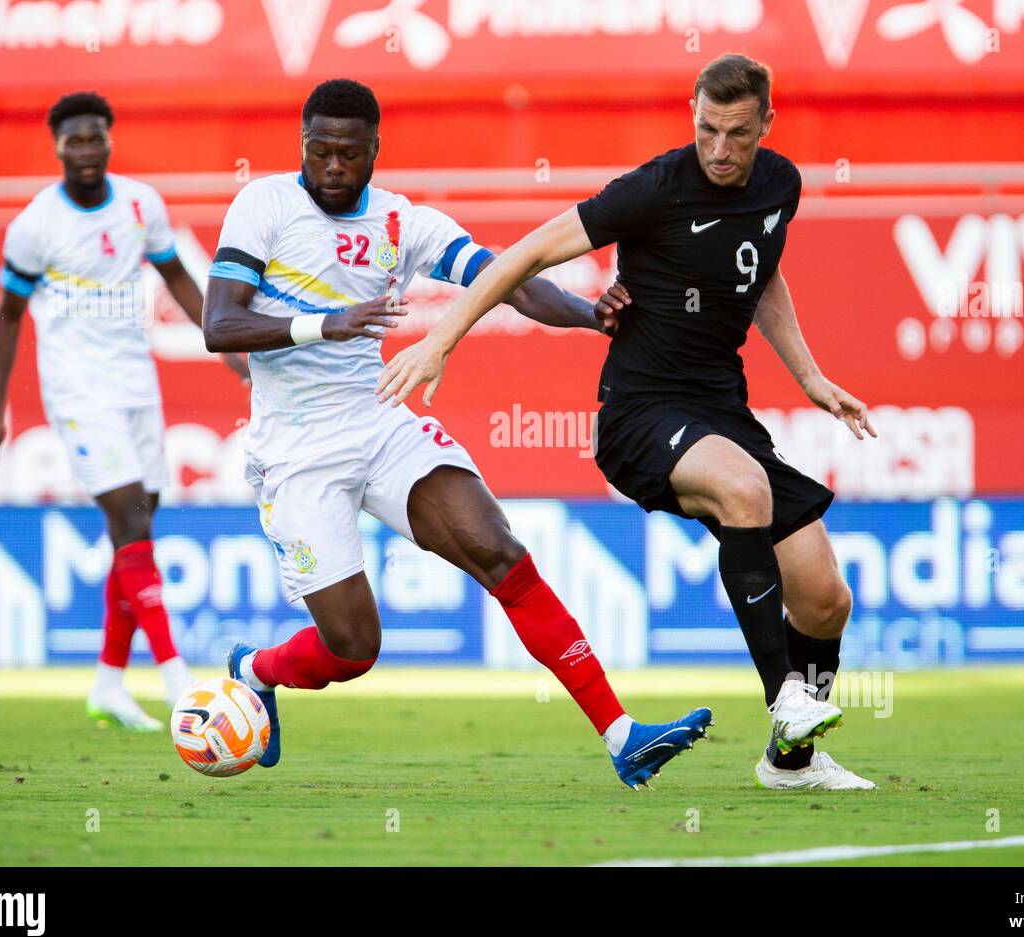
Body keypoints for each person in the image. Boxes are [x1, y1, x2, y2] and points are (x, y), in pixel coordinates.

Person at [378, 55, 877, 791]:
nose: (720, 149)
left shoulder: (781, 186)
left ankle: (791, 763)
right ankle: (786, 700)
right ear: (693, 115)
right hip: (641, 414)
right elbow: (527, 253)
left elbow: (761, 271)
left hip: (722, 411)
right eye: (707, 128)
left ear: (766, 125)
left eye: (738, 134)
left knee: (825, 596)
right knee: (744, 490)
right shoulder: (655, 189)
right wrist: (441, 338)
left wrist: (809, 377)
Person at [202, 78, 711, 789]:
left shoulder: (403, 224)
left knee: (502, 555)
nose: (334, 167)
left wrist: (590, 313)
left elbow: (509, 280)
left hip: (376, 418)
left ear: (375, 150)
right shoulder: (264, 205)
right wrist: (327, 323)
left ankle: (623, 736)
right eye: (319, 151)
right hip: (294, 453)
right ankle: (256, 669)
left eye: (349, 153)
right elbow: (218, 325)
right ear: (303, 146)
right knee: (353, 649)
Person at [0, 91, 249, 730]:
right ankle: (178, 680)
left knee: (136, 536)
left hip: (136, 387)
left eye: (96, 137)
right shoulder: (36, 225)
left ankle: (106, 685)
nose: (87, 150)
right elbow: (7, 318)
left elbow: (179, 278)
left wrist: (226, 347)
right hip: (77, 392)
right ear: (58, 147)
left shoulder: (139, 204)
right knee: (129, 518)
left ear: (109, 139)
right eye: (75, 140)